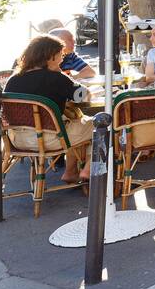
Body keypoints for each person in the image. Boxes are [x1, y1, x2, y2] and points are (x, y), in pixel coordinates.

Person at [5, 35, 94, 183]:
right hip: (51, 139)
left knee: (75, 121)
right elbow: (84, 96)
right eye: (61, 55)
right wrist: (64, 77)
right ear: (50, 57)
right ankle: (88, 170)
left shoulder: (13, 79)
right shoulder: (56, 78)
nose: (62, 59)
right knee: (101, 125)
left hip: (18, 140)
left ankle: (71, 172)